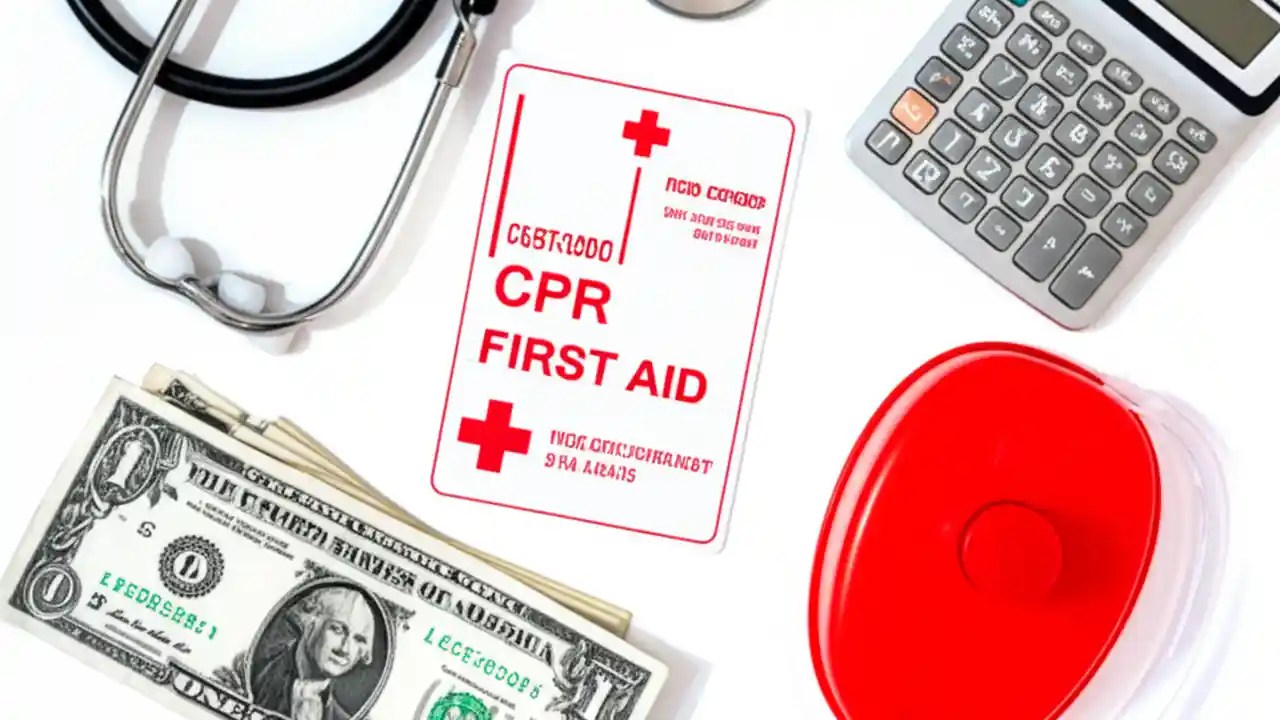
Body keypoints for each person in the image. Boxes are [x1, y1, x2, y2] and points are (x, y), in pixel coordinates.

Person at [251, 586, 377, 720]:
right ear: (310, 621)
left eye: (359, 639)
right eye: (337, 630)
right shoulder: (252, 673)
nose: (345, 649)